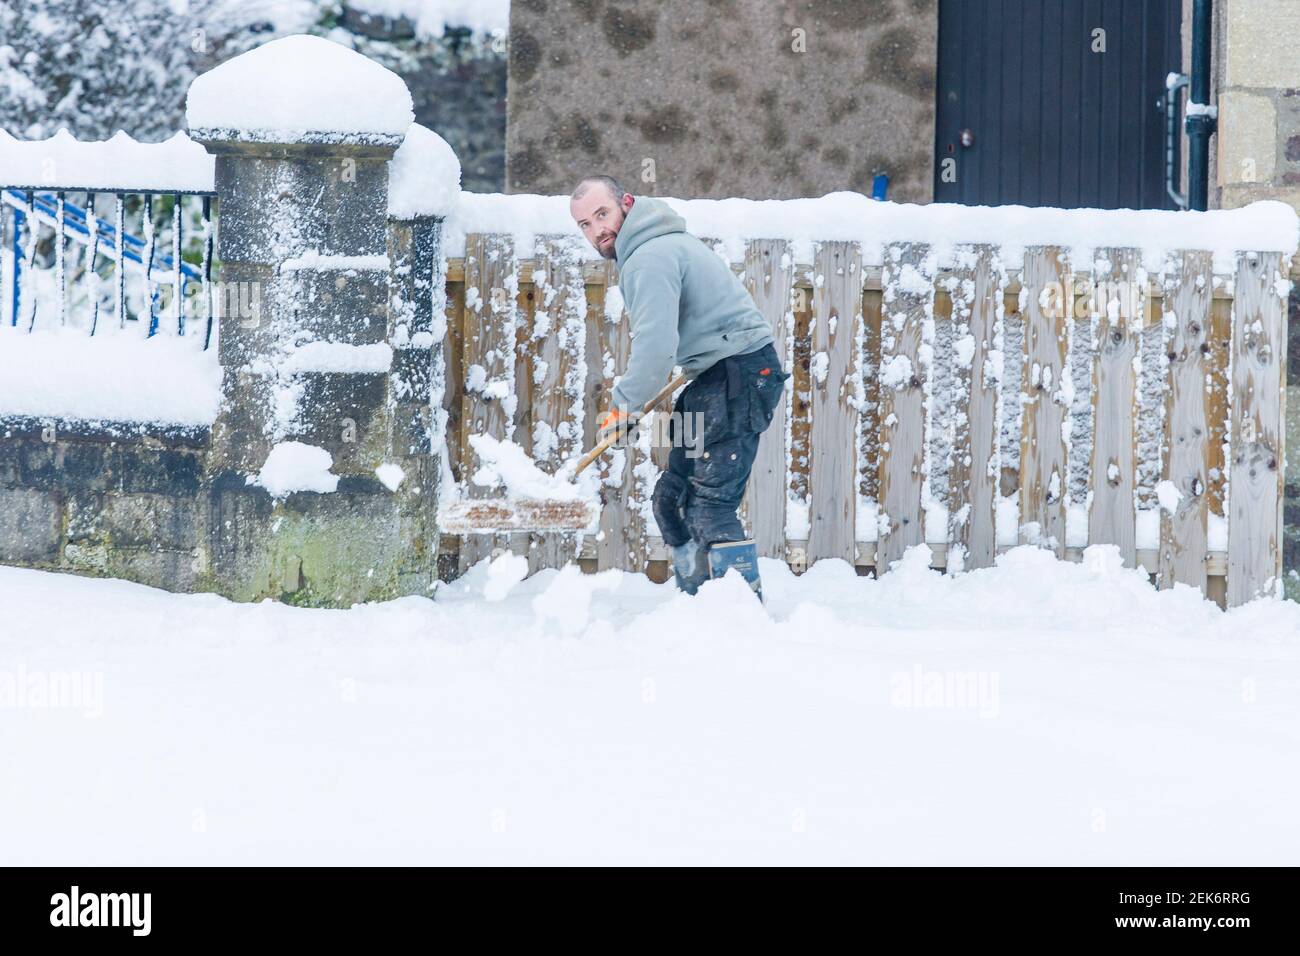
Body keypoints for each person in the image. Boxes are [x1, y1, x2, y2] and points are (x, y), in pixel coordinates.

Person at [568, 174, 790, 601]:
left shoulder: (649, 255)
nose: (597, 230)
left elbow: (655, 347)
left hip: (738, 375)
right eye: (585, 224)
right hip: (713, 375)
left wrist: (621, 409)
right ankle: (696, 598)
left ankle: (737, 619)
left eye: (602, 214)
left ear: (626, 204)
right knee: (672, 497)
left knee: (710, 507)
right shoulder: (653, 248)